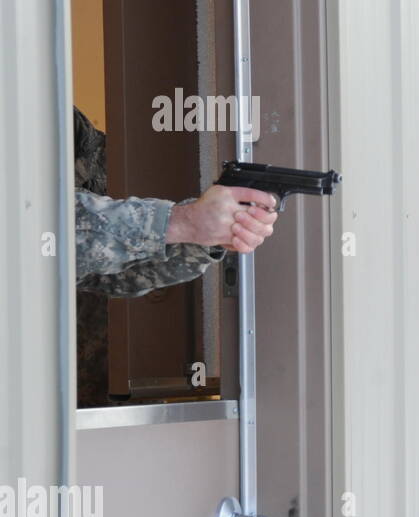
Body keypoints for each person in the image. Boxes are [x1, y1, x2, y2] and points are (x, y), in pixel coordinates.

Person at [74, 106, 278, 404]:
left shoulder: (64, 127)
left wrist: (204, 235)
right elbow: (28, 240)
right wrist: (182, 222)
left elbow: (110, 272)